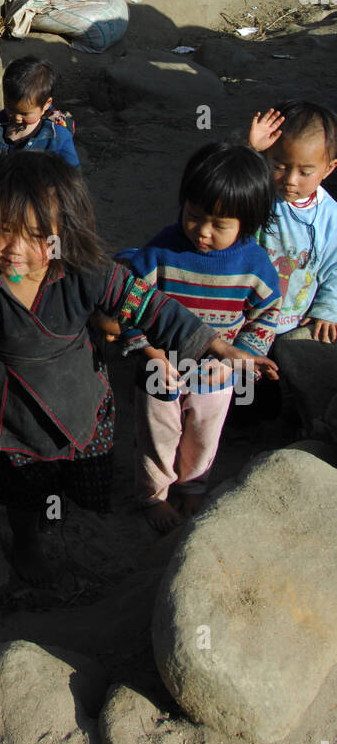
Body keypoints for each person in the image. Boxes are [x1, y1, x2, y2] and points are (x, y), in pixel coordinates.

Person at [0, 152, 271, 585]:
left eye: (37, 235)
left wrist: (216, 345)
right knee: (22, 494)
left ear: (65, 233)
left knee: (76, 473)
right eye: (3, 230)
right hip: (14, 413)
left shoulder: (87, 274)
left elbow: (151, 307)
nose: (17, 250)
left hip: (83, 396)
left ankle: (60, 507)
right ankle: (26, 541)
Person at [115, 143, 281, 532]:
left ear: (248, 222)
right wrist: (151, 352)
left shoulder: (254, 265)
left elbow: (266, 315)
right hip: (161, 367)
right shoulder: (161, 252)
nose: (203, 232)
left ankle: (193, 487)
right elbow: (129, 303)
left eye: (220, 225)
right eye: (194, 216)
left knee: (204, 435)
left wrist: (244, 355)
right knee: (158, 435)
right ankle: (154, 494)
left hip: (216, 374)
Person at [245, 100, 337, 434]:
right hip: (248, 312)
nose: (290, 179)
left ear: (328, 169)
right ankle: (249, 420)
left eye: (305, 171)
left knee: (291, 371)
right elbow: (229, 185)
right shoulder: (258, 192)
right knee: (251, 378)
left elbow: (336, 266)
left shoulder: (330, 217)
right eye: (279, 164)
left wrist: (329, 308)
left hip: (294, 315)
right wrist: (250, 152)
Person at [0, 56, 77, 174]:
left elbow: (72, 172)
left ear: (45, 105)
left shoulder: (57, 135)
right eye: (11, 109)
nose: (16, 117)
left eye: (24, 113)